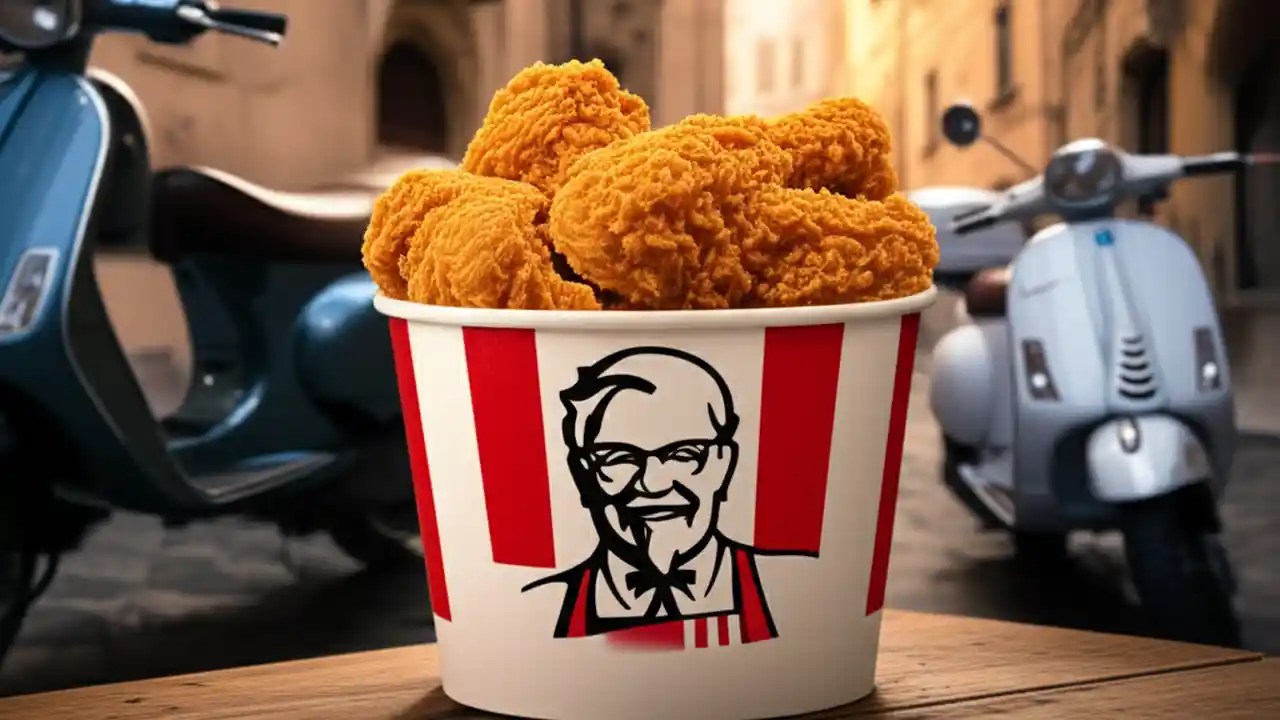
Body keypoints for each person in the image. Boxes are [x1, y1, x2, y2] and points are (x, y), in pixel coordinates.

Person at [523, 346, 779, 643]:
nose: (654, 484)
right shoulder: (538, 605)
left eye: (684, 454)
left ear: (723, 464)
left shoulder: (793, 585)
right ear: (583, 475)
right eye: (619, 457)